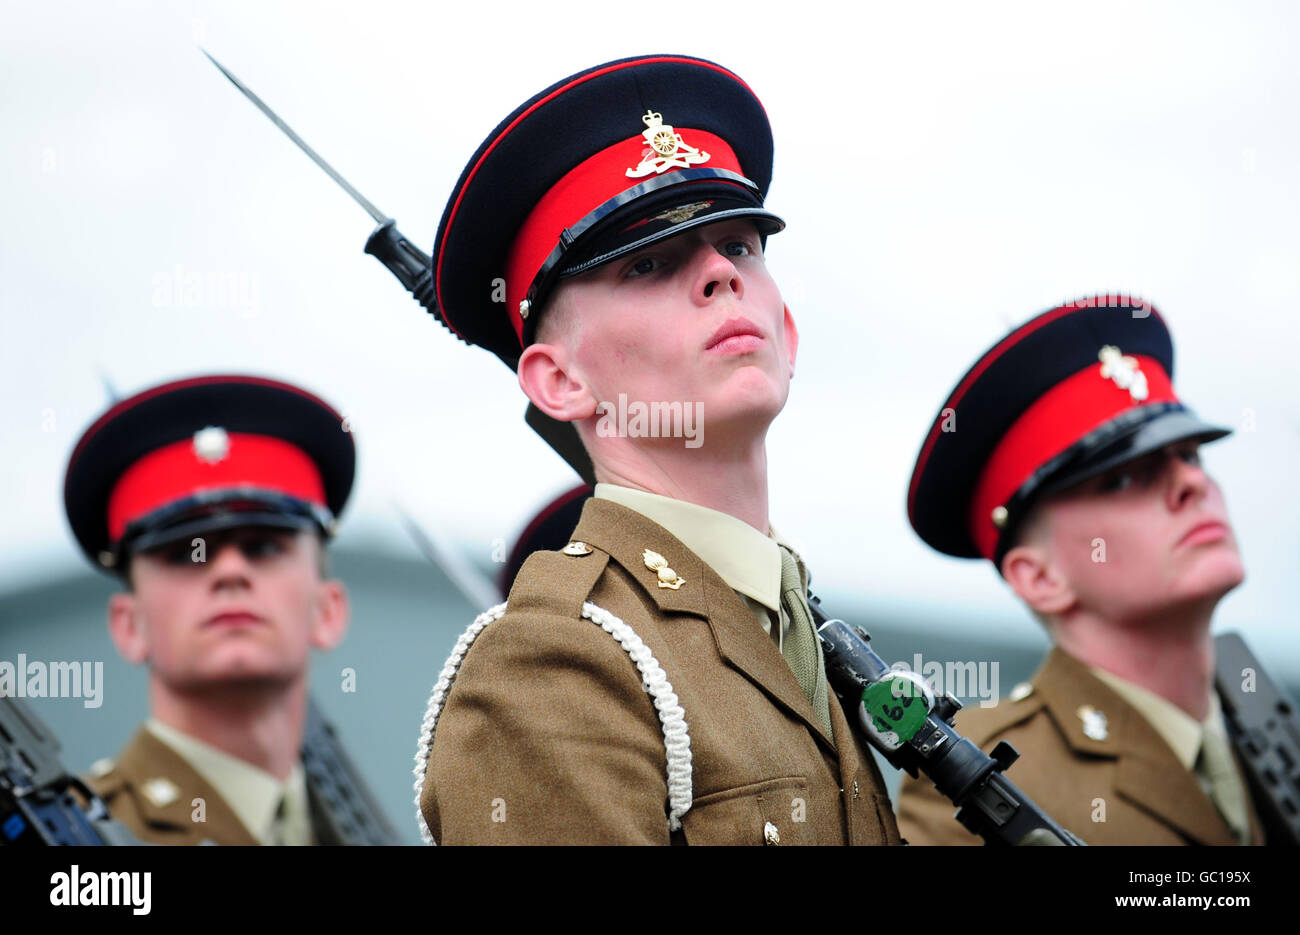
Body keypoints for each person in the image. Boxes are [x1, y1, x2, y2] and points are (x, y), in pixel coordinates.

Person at [413, 54, 901, 845]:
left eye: (741, 245)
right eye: (648, 262)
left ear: (790, 333)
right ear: (558, 380)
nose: (718, 272)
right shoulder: (557, 666)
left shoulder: (802, 635)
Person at [896, 296, 1265, 845]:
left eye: (1190, 455)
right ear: (1039, 577)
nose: (1191, 483)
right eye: (1122, 479)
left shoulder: (1265, 728)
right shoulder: (978, 781)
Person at [64, 375, 355, 845]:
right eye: (183, 553)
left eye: (262, 546)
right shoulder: (68, 838)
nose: (229, 571)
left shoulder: (361, 829)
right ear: (128, 625)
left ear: (328, 610)